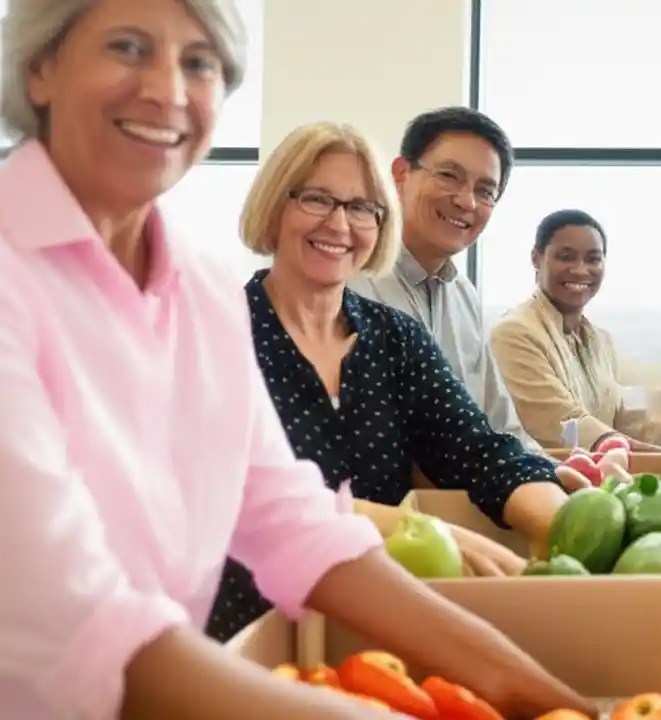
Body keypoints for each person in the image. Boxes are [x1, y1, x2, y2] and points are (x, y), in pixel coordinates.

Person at [0, 1, 591, 717]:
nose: (169, 89)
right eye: (127, 48)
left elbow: (294, 523)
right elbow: (76, 622)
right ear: (40, 68)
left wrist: (560, 701)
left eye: (200, 63)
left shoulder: (196, 288)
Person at [206, 122, 589, 643]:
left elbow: (480, 451)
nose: (341, 224)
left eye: (363, 208)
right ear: (275, 205)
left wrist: (568, 528)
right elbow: (231, 491)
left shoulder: (395, 340)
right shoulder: (217, 332)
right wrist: (425, 530)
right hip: (245, 630)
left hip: (368, 628)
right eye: (318, 199)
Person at [347, 107, 542, 451]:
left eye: (485, 191)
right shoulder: (349, 281)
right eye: (449, 175)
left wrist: (565, 475)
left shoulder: (463, 296)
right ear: (400, 174)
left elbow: (501, 429)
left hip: (462, 499)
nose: (466, 201)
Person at [489, 209, 657, 451]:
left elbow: (622, 422)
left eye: (593, 259)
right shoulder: (513, 333)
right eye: (565, 256)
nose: (580, 270)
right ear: (536, 258)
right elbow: (565, 422)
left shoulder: (602, 341)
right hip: (546, 482)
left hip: (604, 479)